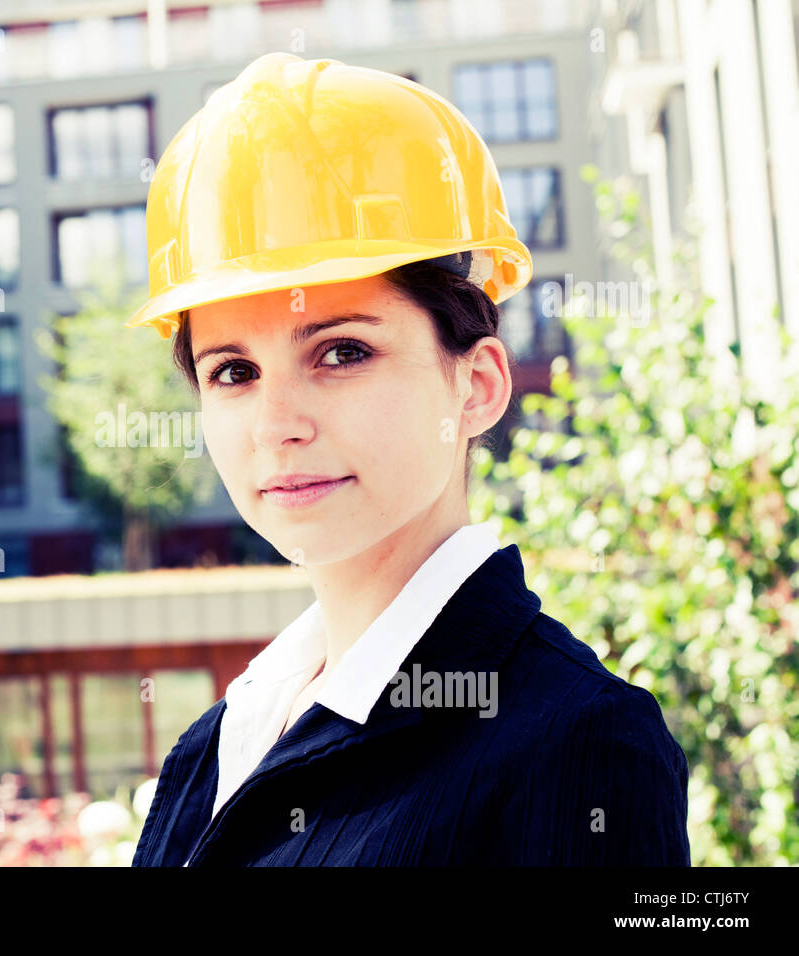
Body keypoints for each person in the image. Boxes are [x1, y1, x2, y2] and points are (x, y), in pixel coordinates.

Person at [125, 52, 690, 867]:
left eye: (342, 352)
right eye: (233, 372)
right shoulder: (215, 748)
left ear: (478, 384)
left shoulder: (578, 741)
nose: (275, 425)